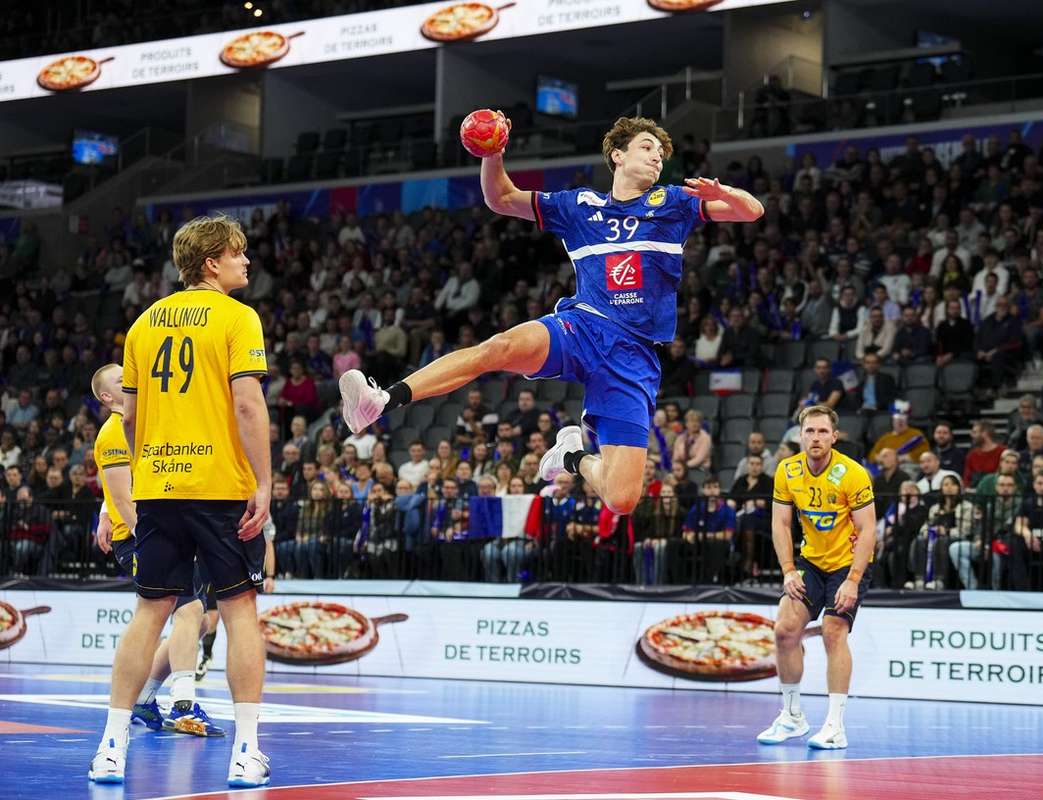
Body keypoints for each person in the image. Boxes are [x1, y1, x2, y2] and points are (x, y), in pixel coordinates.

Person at [337, 115, 762, 518]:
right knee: (497, 347)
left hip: (634, 357)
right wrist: (492, 152)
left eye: (661, 154)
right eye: (647, 147)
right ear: (617, 154)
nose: (656, 157)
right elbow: (500, 198)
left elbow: (752, 211)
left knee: (622, 499)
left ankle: (572, 456)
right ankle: (381, 400)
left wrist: (722, 195)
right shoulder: (579, 206)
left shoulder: (673, 203)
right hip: (583, 327)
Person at [89, 216, 271, 788]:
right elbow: (247, 406)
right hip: (220, 489)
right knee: (240, 614)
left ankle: (110, 750)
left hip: (159, 487)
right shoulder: (239, 318)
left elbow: (132, 419)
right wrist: (263, 484)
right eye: (239, 254)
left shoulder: (142, 324)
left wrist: (150, 471)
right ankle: (246, 754)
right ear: (212, 262)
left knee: (149, 613)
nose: (247, 262)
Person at [90, 363, 223, 738]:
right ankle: (184, 702)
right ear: (107, 396)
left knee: (195, 620)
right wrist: (151, 541)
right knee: (191, 611)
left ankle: (146, 700)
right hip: (141, 536)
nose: (129, 381)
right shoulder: (113, 431)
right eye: (120, 381)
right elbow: (121, 495)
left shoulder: (144, 422)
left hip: (163, 531)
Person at [759, 405, 876, 750]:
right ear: (800, 435)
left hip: (849, 563)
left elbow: (868, 530)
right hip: (810, 562)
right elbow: (780, 524)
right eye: (809, 431)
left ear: (834, 437)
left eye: (823, 432)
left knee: (833, 630)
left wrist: (853, 579)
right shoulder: (787, 470)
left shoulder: (852, 473)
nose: (815, 438)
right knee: (784, 630)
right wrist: (788, 571)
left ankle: (835, 726)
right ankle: (792, 716)